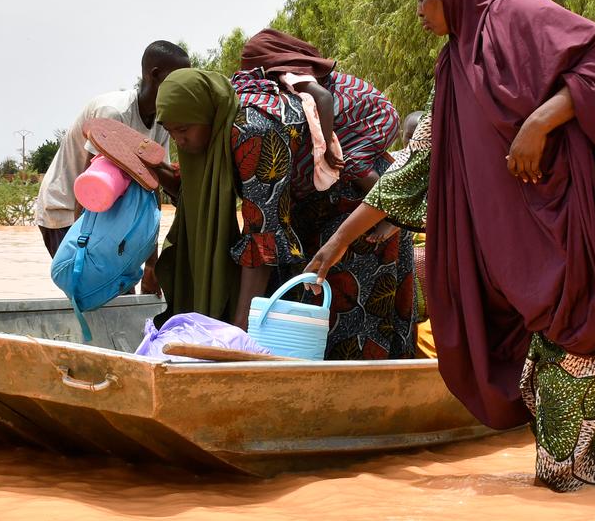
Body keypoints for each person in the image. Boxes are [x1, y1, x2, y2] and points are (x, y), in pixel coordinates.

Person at [305, 0, 595, 491]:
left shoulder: (522, 15)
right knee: (573, 354)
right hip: (545, 232)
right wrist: (337, 243)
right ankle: (579, 491)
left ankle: (563, 491)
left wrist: (540, 122)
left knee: (581, 351)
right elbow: (414, 166)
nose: (418, 12)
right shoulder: (453, 70)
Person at [156, 68, 417, 360]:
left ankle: (361, 400)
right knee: (292, 313)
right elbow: (201, 195)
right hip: (308, 207)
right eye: (170, 131)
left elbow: (264, 238)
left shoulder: (253, 128)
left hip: (358, 206)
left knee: (345, 318)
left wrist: (240, 333)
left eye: (183, 130)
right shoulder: (218, 122)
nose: (179, 142)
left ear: (207, 114)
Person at [34, 40, 190, 289]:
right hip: (66, 210)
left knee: (118, 289)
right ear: (155, 75)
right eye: (176, 80)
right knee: (91, 288)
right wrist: (82, 249)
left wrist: (152, 262)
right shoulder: (114, 113)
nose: (181, 88)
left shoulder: (160, 121)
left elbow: (152, 188)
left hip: (109, 213)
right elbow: (88, 189)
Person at [239, 29, 399, 193]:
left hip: (376, 116)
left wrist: (327, 147)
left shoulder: (291, 73)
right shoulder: (293, 71)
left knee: (353, 163)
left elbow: (324, 97)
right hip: (361, 118)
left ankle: (392, 211)